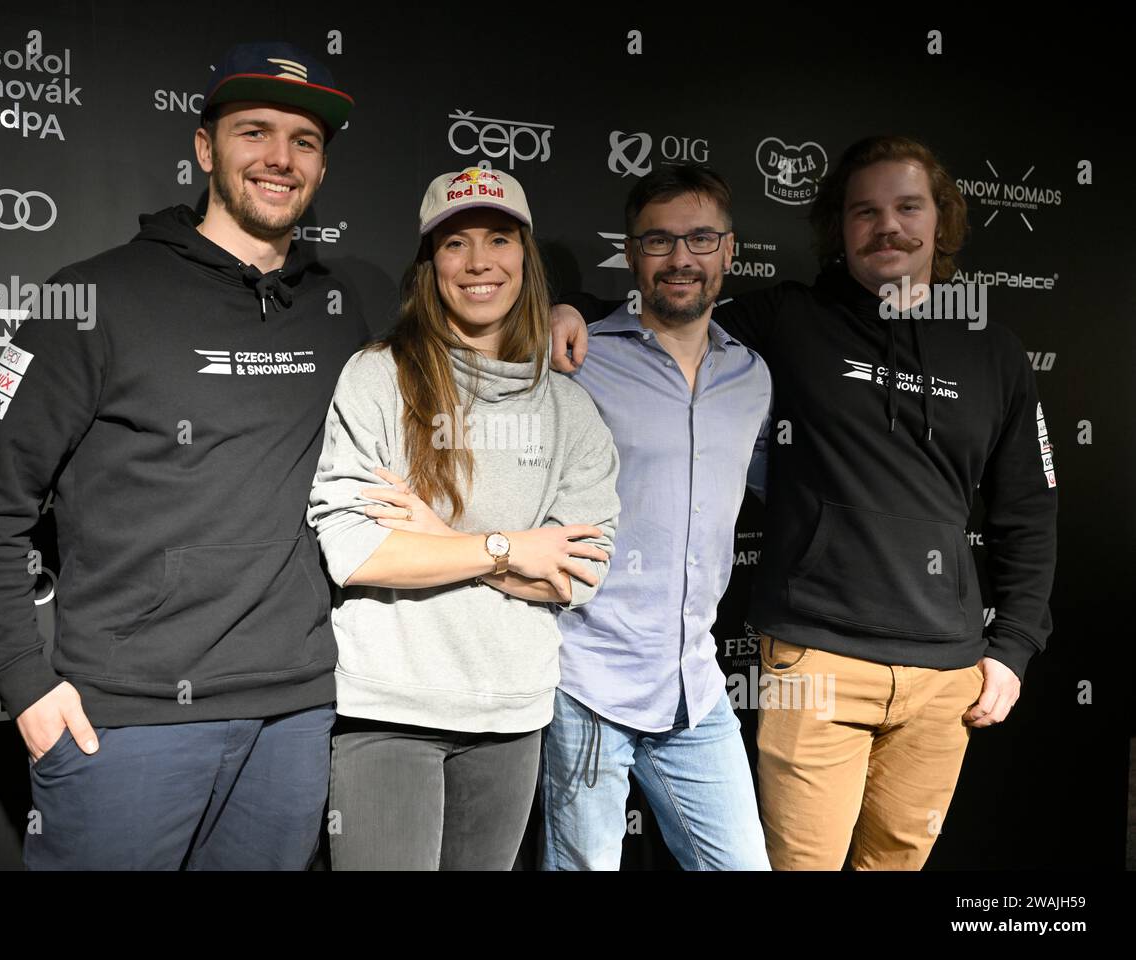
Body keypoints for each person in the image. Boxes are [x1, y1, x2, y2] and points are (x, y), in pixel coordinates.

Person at [551, 136, 1058, 870]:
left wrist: (1013, 646)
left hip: (946, 671)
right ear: (838, 227)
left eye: (908, 207)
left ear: (941, 220)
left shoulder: (996, 351)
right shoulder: (790, 318)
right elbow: (674, 310)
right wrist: (570, 309)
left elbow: (1029, 510)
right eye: (865, 211)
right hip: (815, 658)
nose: (888, 227)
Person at [0, 41, 366, 869]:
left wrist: (571, 318)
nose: (280, 157)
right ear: (205, 147)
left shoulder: (337, 311)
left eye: (304, 140)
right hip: (127, 725)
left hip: (295, 716)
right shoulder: (92, 300)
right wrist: (23, 684)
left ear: (321, 165)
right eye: (254, 131)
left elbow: (470, 327)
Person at [307, 166, 621, 870]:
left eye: (499, 239)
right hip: (390, 710)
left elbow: (577, 575)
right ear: (430, 263)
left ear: (525, 258)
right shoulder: (378, 377)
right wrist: (512, 548)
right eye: (455, 243)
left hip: (513, 715)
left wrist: (445, 541)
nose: (479, 262)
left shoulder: (571, 411)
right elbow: (359, 554)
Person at [540, 163, 771, 870]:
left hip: (694, 686)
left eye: (700, 239)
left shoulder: (752, 375)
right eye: (658, 241)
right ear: (632, 253)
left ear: (729, 252)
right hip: (586, 680)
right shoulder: (576, 357)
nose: (680, 258)